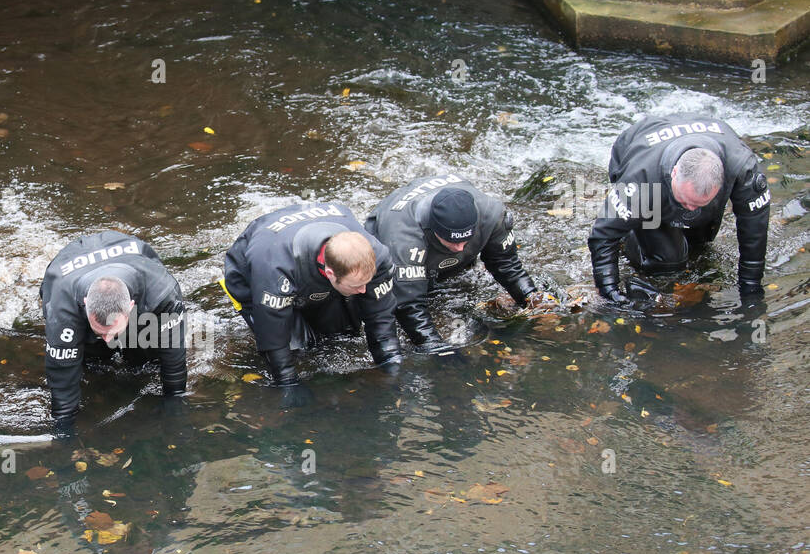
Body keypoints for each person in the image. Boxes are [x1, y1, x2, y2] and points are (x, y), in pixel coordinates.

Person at [588, 113, 770, 307]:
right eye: (686, 200)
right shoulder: (641, 178)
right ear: (674, 173)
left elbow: (754, 229)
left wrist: (751, 287)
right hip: (640, 153)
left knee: (700, 244)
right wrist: (609, 290)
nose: (690, 208)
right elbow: (603, 234)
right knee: (668, 261)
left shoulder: (742, 167)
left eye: (699, 203)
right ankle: (634, 234)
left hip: (707, 140)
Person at [222, 201, 401, 386]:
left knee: (343, 337)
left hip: (317, 271)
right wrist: (288, 385)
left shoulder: (378, 255)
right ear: (330, 274)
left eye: (366, 282)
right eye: (357, 285)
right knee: (300, 354)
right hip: (256, 277)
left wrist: (393, 367)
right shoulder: (275, 268)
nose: (364, 290)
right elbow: (274, 343)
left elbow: (381, 319)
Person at [365, 176, 544, 352]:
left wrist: (534, 301)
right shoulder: (402, 238)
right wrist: (437, 348)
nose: (459, 248)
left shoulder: (491, 213)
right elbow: (408, 305)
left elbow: (507, 264)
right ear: (433, 229)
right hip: (395, 247)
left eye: (465, 241)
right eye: (452, 241)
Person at [41, 231, 186, 435]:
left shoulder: (162, 293)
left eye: (112, 332)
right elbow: (62, 386)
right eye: (101, 332)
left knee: (147, 356)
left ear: (132, 306)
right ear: (84, 306)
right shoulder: (62, 308)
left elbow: (174, 364)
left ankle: (121, 330)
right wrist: (64, 437)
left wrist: (176, 411)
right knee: (93, 363)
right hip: (69, 266)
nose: (108, 339)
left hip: (135, 271)